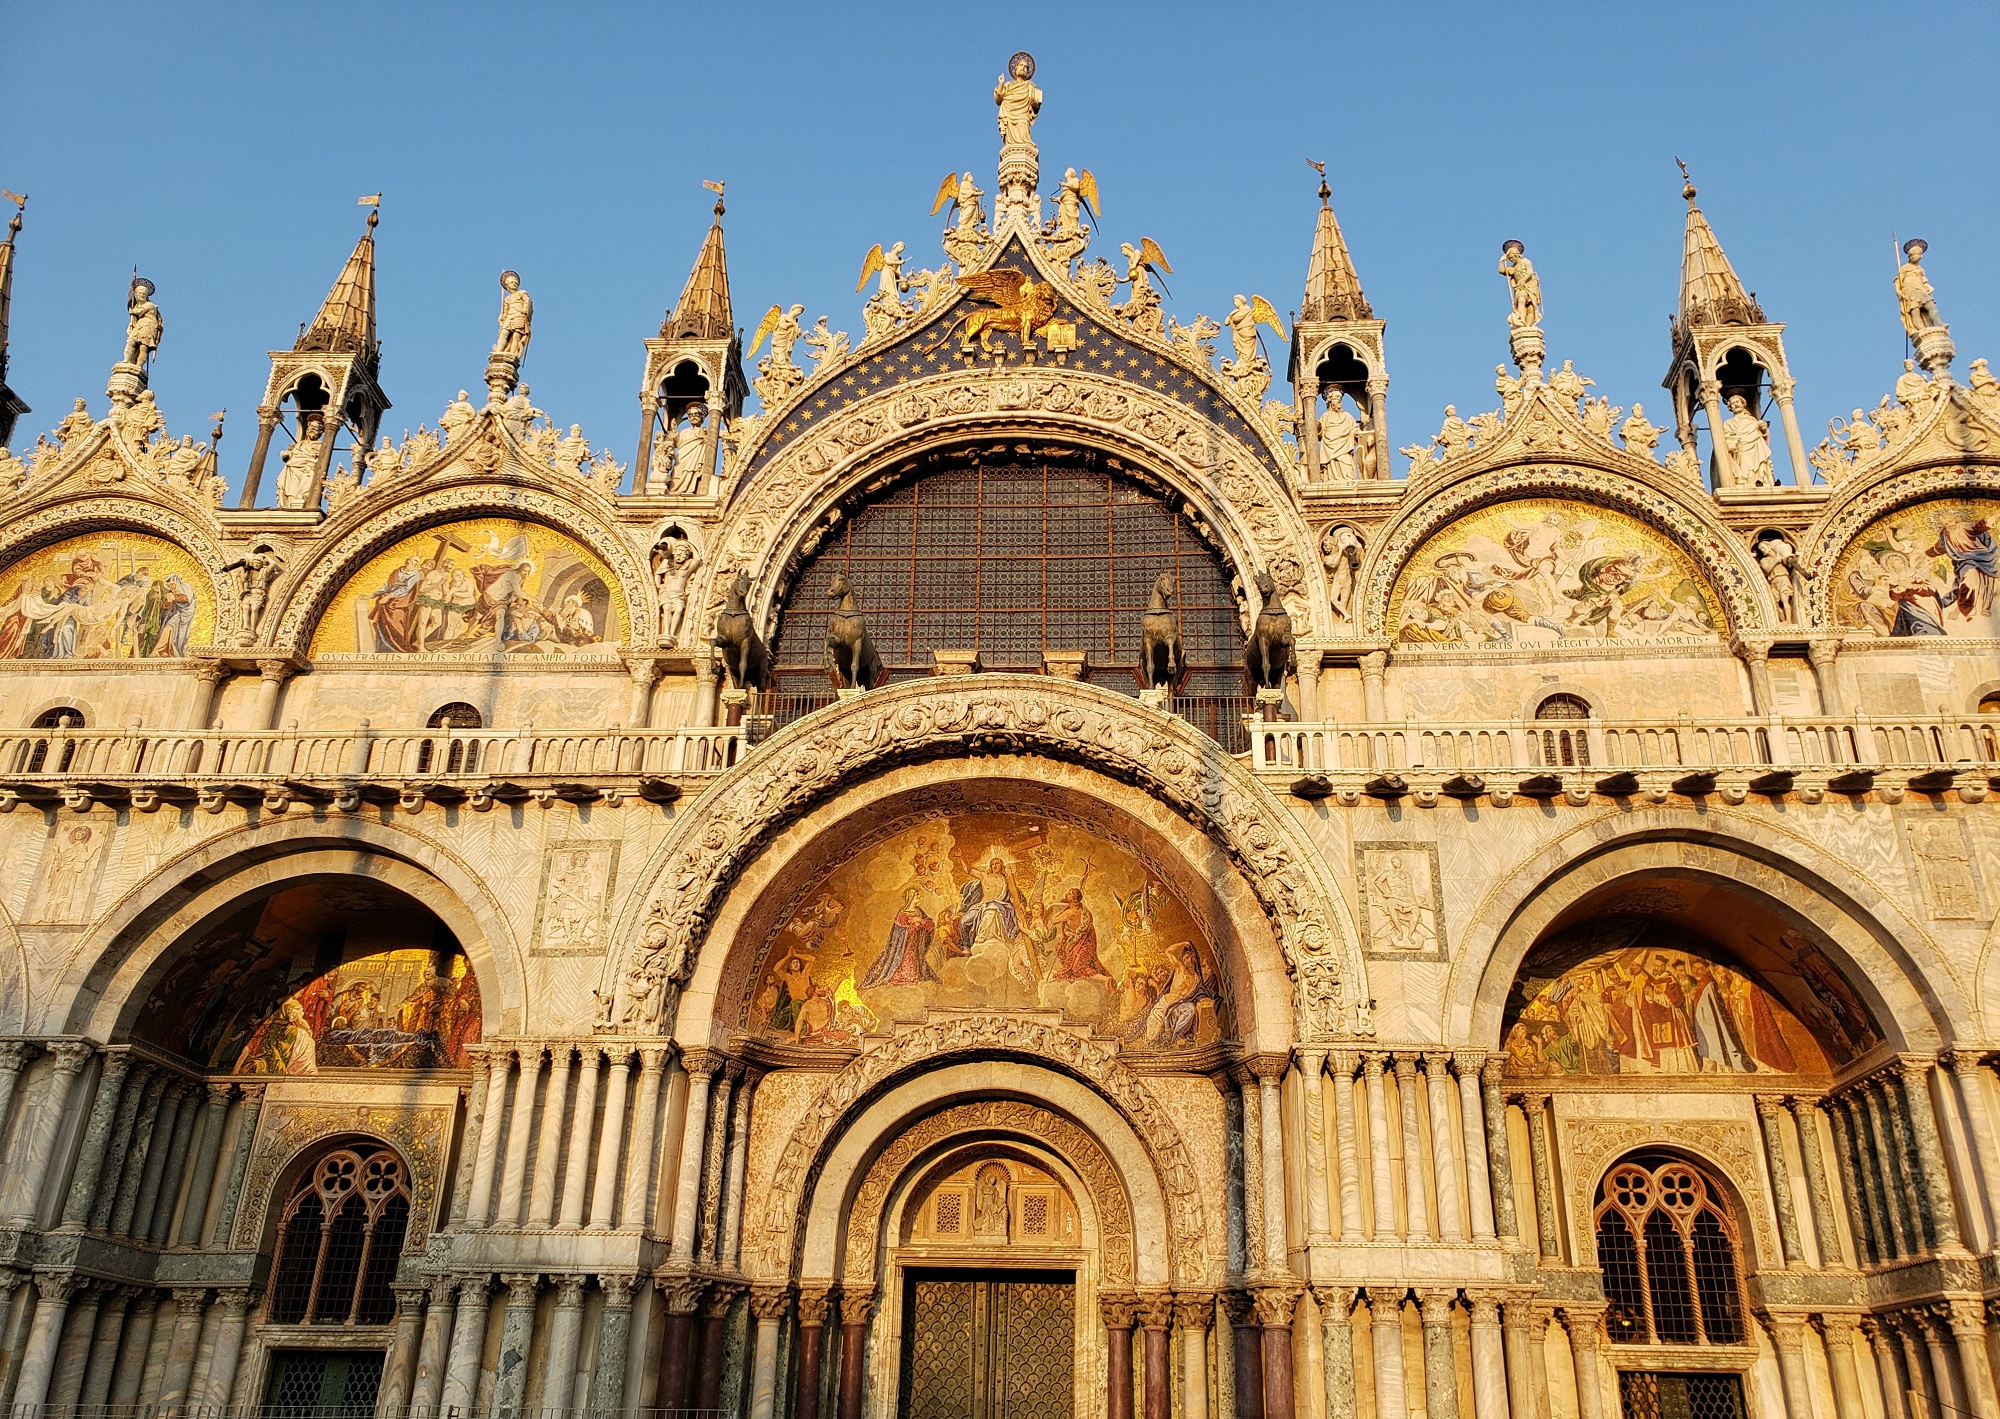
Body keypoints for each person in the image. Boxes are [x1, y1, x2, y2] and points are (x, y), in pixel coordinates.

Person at [861, 886, 938, 988]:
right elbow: (899, 933)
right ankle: (901, 979)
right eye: (916, 894)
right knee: (907, 962)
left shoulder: (919, 912)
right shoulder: (902, 915)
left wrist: (920, 921)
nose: (919, 896)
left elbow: (931, 925)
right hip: (903, 947)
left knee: (915, 962)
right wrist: (915, 926)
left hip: (915, 945)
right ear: (910, 897)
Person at [1721, 395, 1775, 486]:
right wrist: (1732, 441)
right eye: (1733, 404)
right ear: (1730, 407)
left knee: (1759, 459)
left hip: (1754, 445)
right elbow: (1727, 435)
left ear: (1743, 404)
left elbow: (1762, 435)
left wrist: (1764, 429)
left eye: (1737, 402)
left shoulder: (1752, 420)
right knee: (1745, 467)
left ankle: (1760, 479)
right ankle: (1747, 482)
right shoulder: (1728, 423)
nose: (1736, 405)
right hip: (1741, 448)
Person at [994, 52, 1041, 148]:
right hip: (1008, 113)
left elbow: (1036, 104)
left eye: (1026, 67)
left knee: (1022, 126)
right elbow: (999, 98)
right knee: (1010, 141)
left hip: (1022, 113)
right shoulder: (1008, 85)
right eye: (1021, 65)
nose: (1023, 68)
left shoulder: (1030, 86)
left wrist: (1034, 101)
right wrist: (1001, 83)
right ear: (1016, 68)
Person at [1498, 240, 1540, 327]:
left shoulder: (1526, 261)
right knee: (1521, 300)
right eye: (1510, 259)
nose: (1512, 260)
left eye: (1513, 257)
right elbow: (1501, 271)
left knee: (1531, 308)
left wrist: (1523, 280)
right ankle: (1521, 319)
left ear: (1517, 255)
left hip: (1530, 286)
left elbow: (1530, 272)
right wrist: (1501, 261)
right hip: (1520, 288)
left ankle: (1528, 326)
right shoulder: (1513, 268)